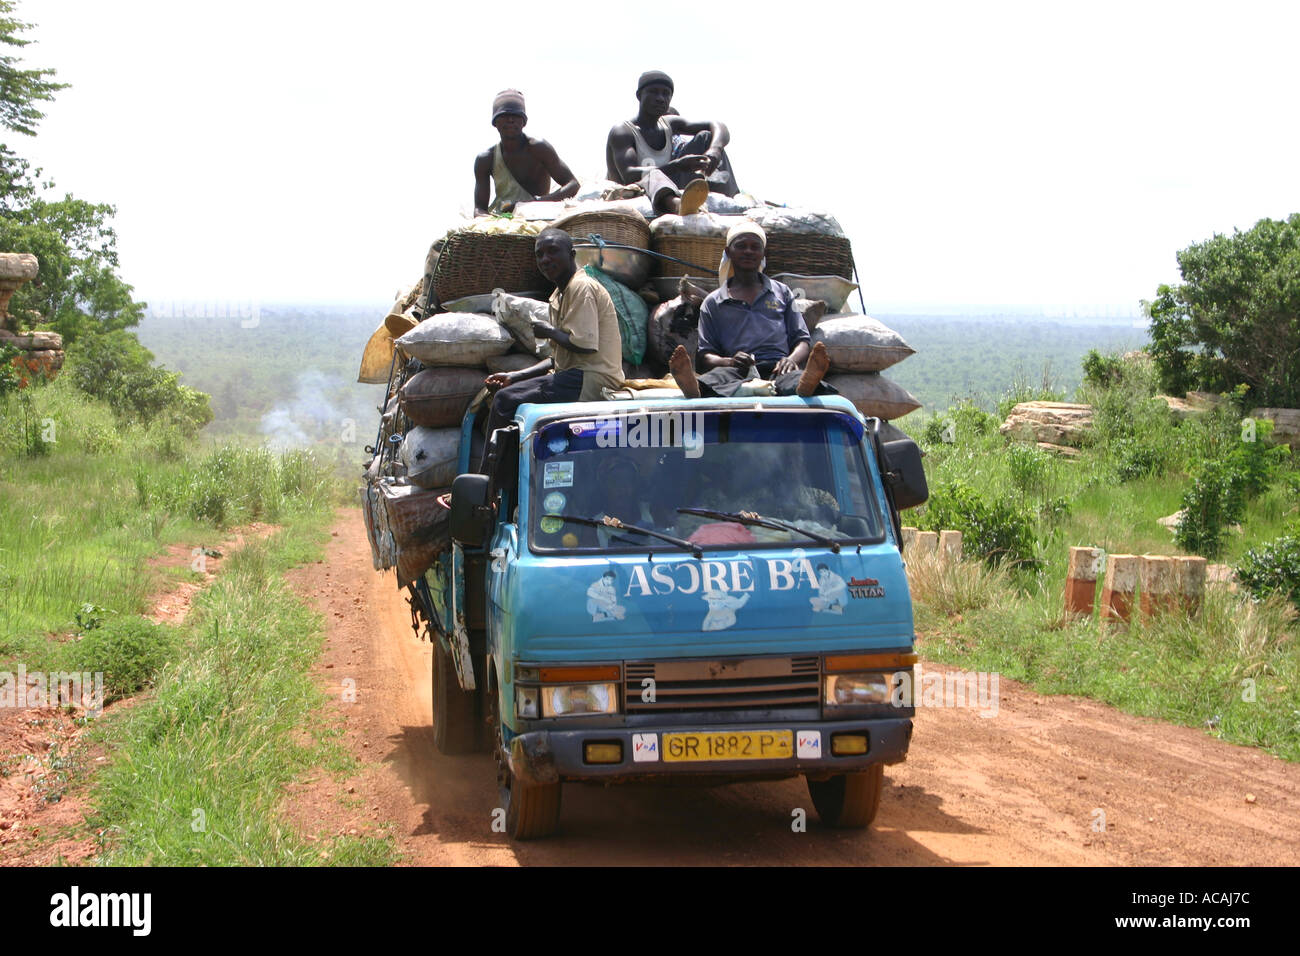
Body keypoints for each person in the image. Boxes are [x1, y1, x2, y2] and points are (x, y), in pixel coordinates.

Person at [480, 228, 625, 449]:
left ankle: (492, 481)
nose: (546, 260)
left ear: (572, 255)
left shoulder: (581, 287)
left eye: (553, 251)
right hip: (573, 376)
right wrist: (515, 376)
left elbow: (584, 345)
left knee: (504, 402)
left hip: (593, 378)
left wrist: (548, 331)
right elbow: (557, 358)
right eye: (540, 254)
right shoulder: (558, 295)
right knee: (507, 397)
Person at [668, 221, 832, 398]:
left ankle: (803, 386)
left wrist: (791, 360)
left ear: (763, 254)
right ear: (728, 252)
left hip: (778, 368)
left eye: (755, 247)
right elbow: (706, 355)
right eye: (741, 246)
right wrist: (729, 361)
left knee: (798, 380)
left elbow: (802, 341)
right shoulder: (713, 302)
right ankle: (695, 389)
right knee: (710, 380)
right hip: (736, 372)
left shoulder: (783, 292)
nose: (748, 251)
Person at [605, 71, 734, 217]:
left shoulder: (669, 124)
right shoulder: (623, 131)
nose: (660, 98)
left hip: (669, 186)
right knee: (653, 174)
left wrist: (715, 149)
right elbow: (629, 175)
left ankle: (728, 200)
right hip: (634, 191)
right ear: (639, 96)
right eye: (653, 92)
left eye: (666, 94)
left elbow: (717, 125)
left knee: (706, 137)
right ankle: (678, 206)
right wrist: (678, 166)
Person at [473, 89, 579, 216]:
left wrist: (533, 203)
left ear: (524, 121)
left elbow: (573, 185)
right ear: (495, 122)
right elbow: (479, 209)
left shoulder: (539, 148)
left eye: (516, 115)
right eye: (505, 115)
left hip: (538, 216)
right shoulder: (486, 159)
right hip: (501, 217)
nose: (511, 120)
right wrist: (489, 222)